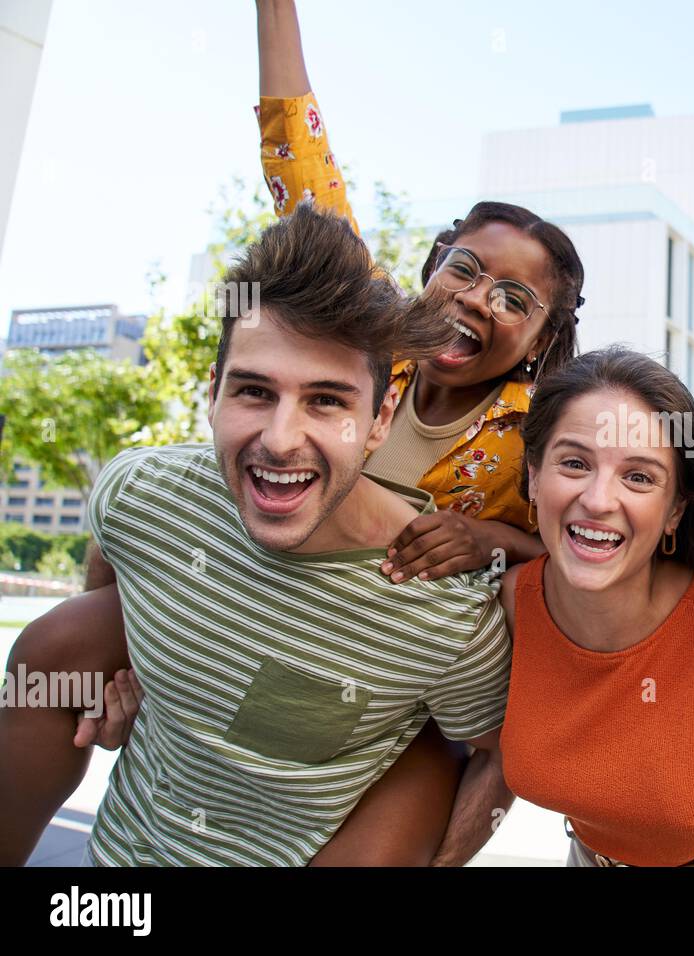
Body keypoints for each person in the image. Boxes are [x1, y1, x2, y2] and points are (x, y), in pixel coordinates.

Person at [0, 0, 590, 865]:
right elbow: (296, 151)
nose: (478, 299)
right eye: (465, 269)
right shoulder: (350, 324)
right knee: (67, 639)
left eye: (516, 300)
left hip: (391, 659)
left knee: (436, 758)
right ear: (423, 274)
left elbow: (587, 555)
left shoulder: (541, 437)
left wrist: (490, 535)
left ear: (542, 340)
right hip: (245, 588)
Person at [4, 204, 514, 866]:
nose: (280, 440)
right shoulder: (141, 492)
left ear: (380, 416)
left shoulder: (447, 611)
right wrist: (124, 661)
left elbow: (498, 753)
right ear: (213, 392)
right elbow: (113, 542)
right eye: (252, 391)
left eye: (326, 401)